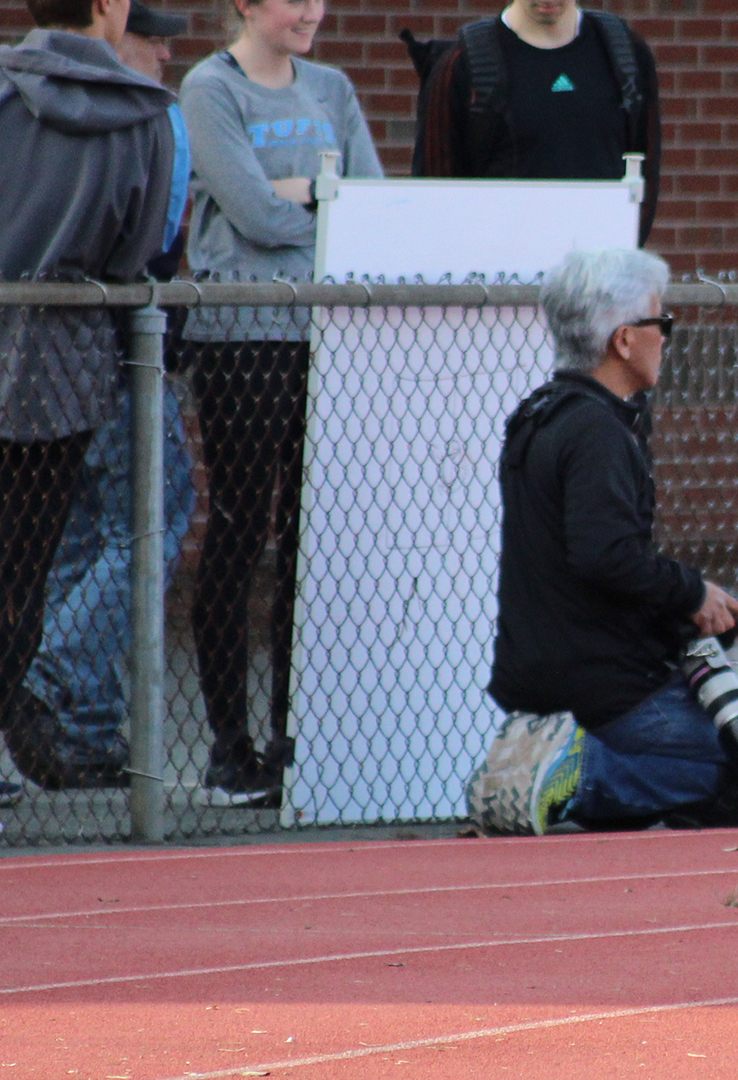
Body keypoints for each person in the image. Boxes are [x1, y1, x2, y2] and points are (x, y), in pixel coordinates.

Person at [488, 249, 738, 833]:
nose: (666, 337)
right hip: (602, 684)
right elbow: (605, 556)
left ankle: (569, 773)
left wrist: (686, 603)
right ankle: (584, 776)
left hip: (537, 671)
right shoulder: (597, 430)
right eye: (659, 323)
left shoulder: (538, 414)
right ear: (623, 340)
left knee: (712, 767)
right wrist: (692, 593)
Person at [178, 0, 381, 808]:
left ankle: (302, 741)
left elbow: (370, 202)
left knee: (312, 542)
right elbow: (255, 216)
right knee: (239, 528)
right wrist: (313, 201)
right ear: (245, 7)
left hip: (324, 339)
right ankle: (232, 748)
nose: (308, 11)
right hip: (242, 339)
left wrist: (302, 194)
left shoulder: (331, 87)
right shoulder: (211, 89)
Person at [6, 0, 198, 795]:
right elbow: (142, 247)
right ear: (108, 7)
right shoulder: (146, 113)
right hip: (69, 363)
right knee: (27, 567)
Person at [409, 0, 661, 243]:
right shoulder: (462, 64)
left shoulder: (626, 52)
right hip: (503, 268)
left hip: (603, 267)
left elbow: (645, 164)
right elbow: (435, 190)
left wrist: (624, 248)